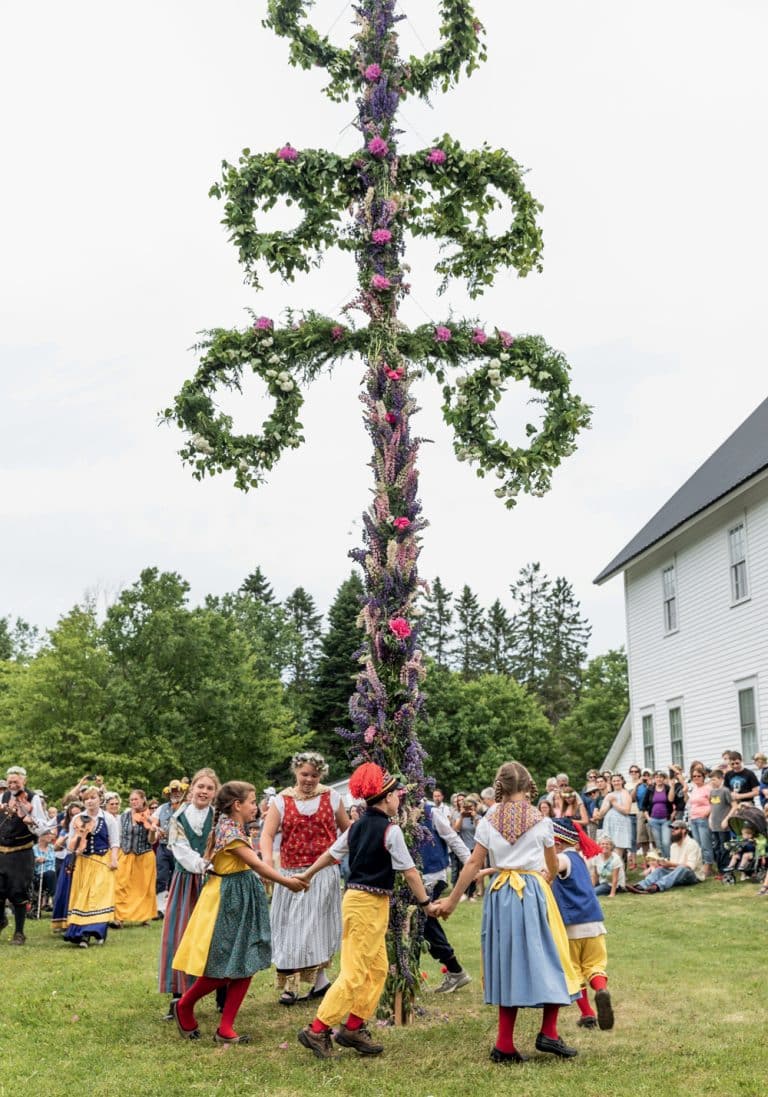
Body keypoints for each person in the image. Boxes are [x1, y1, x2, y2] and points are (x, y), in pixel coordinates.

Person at [435, 761, 581, 1064]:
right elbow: (552, 862)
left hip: (500, 892)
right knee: (554, 955)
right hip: (532, 890)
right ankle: (549, 1032)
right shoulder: (540, 820)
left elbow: (473, 864)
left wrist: (451, 901)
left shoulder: (489, 819)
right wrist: (547, 876)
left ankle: (504, 1044)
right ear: (528, 786)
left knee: (507, 961)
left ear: (499, 786)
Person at [296, 763, 437, 1060]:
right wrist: (426, 903)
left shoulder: (357, 826)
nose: (399, 798)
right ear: (386, 798)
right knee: (355, 973)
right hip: (365, 906)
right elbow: (410, 872)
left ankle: (353, 1027)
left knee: (376, 971)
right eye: (397, 794)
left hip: (365, 904)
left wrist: (307, 875)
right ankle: (316, 1029)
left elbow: (331, 854)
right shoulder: (390, 830)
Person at [172, 781, 307, 1044]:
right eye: (252, 801)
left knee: (246, 961)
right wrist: (287, 882)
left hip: (240, 898)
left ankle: (225, 1028)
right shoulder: (229, 831)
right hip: (230, 902)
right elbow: (256, 863)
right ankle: (185, 1004)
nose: (255, 806)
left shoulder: (231, 826)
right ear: (237, 805)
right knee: (223, 964)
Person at [260, 751, 349, 1005]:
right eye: (304, 774)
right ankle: (291, 984)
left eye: (314, 775)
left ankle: (319, 981)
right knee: (290, 925)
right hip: (291, 872)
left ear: (321, 774)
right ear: (295, 773)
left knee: (316, 926)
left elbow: (348, 832)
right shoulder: (282, 800)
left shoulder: (332, 797)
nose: (308, 779)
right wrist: (268, 862)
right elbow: (267, 835)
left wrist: (335, 852)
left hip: (322, 872)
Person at [158, 768, 220, 1019]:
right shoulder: (179, 816)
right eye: (200, 786)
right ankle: (178, 994)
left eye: (209, 788)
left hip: (214, 881)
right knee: (180, 934)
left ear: (215, 793)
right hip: (187, 881)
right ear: (191, 789)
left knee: (214, 935)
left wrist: (213, 866)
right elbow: (179, 849)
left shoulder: (218, 817)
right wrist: (203, 864)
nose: (204, 791)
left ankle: (220, 992)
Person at [551, 819, 614, 1031]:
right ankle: (601, 990)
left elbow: (553, 868)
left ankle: (587, 1014)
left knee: (574, 970)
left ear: (557, 842)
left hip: (571, 927)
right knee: (595, 965)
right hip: (594, 923)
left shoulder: (561, 859)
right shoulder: (579, 858)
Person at [416, 797, 472, 993]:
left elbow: (452, 838)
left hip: (432, 875)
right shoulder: (394, 811)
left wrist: (471, 865)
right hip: (414, 877)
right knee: (421, 923)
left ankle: (454, 971)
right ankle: (454, 970)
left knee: (423, 921)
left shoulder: (431, 812)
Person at [63, 786, 120, 947]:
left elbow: (115, 842)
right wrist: (78, 843)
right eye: (86, 798)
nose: (89, 801)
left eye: (93, 797)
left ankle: (97, 931)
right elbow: (70, 843)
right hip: (83, 861)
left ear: (99, 799)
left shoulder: (108, 818)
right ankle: (83, 934)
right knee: (84, 896)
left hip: (102, 860)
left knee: (99, 895)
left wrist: (114, 859)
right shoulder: (77, 819)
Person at [0, 765, 51, 944]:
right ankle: (1, 920)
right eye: (10, 781)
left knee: (17, 892)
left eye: (16, 781)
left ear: (24, 781)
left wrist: (31, 822)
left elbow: (43, 827)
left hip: (21, 853)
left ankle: (19, 932)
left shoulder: (33, 798)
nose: (12, 784)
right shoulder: (4, 796)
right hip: (2, 851)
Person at [114, 789, 158, 927]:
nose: (134, 802)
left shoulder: (151, 817)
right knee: (120, 885)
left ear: (143, 800)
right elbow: (119, 836)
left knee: (143, 887)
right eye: (131, 799)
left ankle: (144, 917)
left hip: (144, 855)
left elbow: (152, 841)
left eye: (136, 799)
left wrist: (152, 831)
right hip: (126, 854)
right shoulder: (124, 816)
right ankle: (119, 918)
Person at [626, 819, 704, 893]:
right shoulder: (673, 845)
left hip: (693, 876)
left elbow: (690, 867)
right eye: (672, 828)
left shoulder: (692, 844)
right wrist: (662, 864)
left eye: (676, 828)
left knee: (683, 868)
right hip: (677, 874)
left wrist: (670, 864)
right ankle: (641, 885)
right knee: (660, 870)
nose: (672, 830)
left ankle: (657, 886)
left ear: (684, 831)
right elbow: (673, 867)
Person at [153, 779, 188, 915]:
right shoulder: (162, 808)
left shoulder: (187, 807)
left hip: (180, 846)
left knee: (177, 876)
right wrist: (156, 828)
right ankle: (160, 907)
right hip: (163, 846)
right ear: (169, 794)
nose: (176, 794)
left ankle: (175, 906)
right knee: (161, 876)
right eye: (173, 791)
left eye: (179, 791)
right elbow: (153, 822)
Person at [595, 774, 633, 863]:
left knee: (618, 850)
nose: (616, 782)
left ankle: (619, 873)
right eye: (614, 781)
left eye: (618, 780)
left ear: (622, 781)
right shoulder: (610, 795)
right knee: (608, 848)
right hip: (609, 824)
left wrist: (614, 802)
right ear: (611, 782)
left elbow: (627, 810)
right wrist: (598, 813)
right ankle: (609, 872)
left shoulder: (625, 793)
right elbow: (601, 813)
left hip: (621, 824)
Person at [687, 765, 713, 876]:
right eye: (694, 776)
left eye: (699, 776)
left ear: (703, 777)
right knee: (698, 845)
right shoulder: (694, 789)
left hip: (703, 819)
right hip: (693, 819)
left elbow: (714, 803)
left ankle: (708, 866)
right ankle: (701, 865)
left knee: (706, 844)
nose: (696, 778)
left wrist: (705, 814)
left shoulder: (708, 788)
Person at [707, 769, 733, 875]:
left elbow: (734, 806)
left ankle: (725, 871)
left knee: (724, 848)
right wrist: (710, 819)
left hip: (723, 826)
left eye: (714, 779)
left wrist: (726, 819)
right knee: (716, 848)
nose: (712, 782)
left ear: (720, 779)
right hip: (714, 825)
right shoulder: (712, 792)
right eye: (711, 780)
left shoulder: (725, 791)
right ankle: (720, 871)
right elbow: (712, 807)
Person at [646, 771, 674, 857]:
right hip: (653, 820)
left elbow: (673, 801)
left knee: (666, 842)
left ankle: (669, 861)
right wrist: (648, 818)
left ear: (664, 778)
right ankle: (662, 862)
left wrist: (672, 815)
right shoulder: (650, 790)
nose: (659, 779)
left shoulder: (668, 788)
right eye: (657, 777)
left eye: (661, 777)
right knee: (658, 844)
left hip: (666, 819)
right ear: (654, 779)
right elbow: (644, 805)